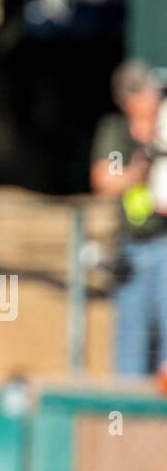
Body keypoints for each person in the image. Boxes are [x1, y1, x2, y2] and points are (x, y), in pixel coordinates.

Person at [90, 59, 167, 377]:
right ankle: (125, 418)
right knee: (131, 345)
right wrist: (137, 172)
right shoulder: (116, 131)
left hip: (165, 245)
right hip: (132, 249)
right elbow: (103, 179)